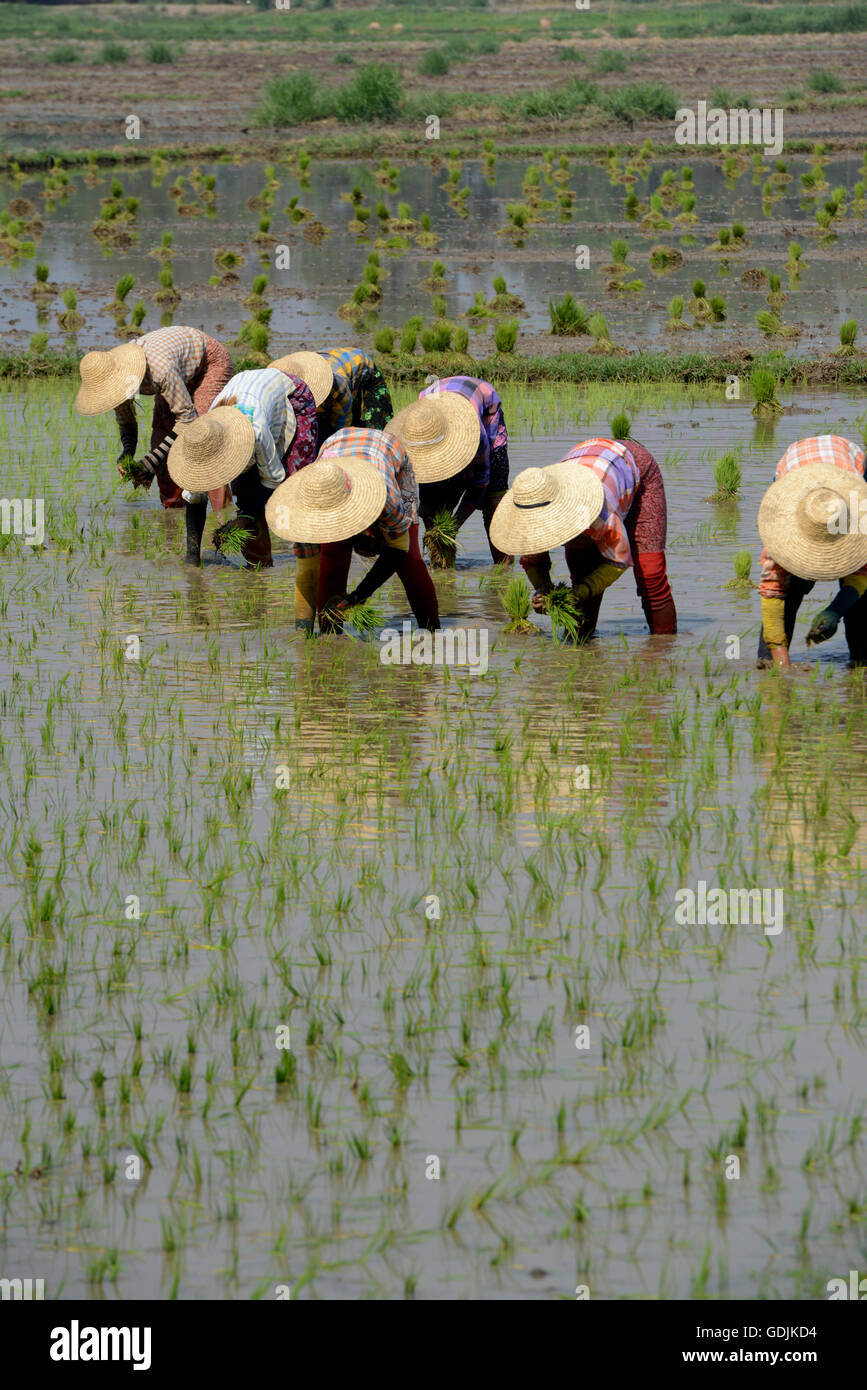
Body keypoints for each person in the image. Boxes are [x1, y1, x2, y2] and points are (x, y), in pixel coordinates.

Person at [489, 437, 677, 638]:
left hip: (635, 469)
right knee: (582, 573)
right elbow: (533, 560)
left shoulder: (597, 512)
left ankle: (663, 651)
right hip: (591, 461)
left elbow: (619, 560)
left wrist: (578, 593)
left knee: (650, 574)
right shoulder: (533, 509)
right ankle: (583, 647)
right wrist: (544, 592)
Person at [265, 427, 439, 635]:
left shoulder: (385, 496)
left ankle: (433, 632)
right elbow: (307, 574)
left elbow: (399, 548)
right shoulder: (303, 516)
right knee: (332, 556)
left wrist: (359, 595)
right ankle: (330, 637)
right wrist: (303, 636)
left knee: (410, 561)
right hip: (334, 448)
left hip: (385, 453)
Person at [75, 327, 233, 512]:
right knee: (160, 435)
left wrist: (150, 461)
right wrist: (127, 453)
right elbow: (127, 422)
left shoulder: (159, 371)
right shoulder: (117, 384)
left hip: (209, 363)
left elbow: (187, 419)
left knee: (205, 439)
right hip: (178, 370)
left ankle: (222, 517)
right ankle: (173, 513)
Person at [167, 367, 304, 568]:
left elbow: (274, 478)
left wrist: (244, 517)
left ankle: (273, 561)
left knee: (286, 481)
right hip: (244, 387)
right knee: (245, 490)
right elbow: (194, 496)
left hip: (287, 392)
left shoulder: (256, 432)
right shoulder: (204, 436)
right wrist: (192, 557)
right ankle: (255, 566)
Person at [756, 435, 867, 667]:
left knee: (860, 600)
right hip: (794, 468)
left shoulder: (859, 513)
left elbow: (862, 573)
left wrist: (836, 610)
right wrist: (781, 666)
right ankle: (768, 663)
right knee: (792, 586)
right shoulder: (781, 525)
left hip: (847, 462)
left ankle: (861, 664)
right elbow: (771, 590)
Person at [387, 376, 511, 564]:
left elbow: (480, 484)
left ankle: (504, 569)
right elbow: (407, 497)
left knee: (494, 502)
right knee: (432, 509)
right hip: (433, 411)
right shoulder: (408, 441)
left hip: (482, 406)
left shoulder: (475, 436)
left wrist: (455, 523)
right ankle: (442, 571)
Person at [271, 348, 393, 439]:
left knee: (373, 429)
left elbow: (343, 428)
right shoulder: (293, 370)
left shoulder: (339, 387)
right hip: (335, 360)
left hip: (364, 371)